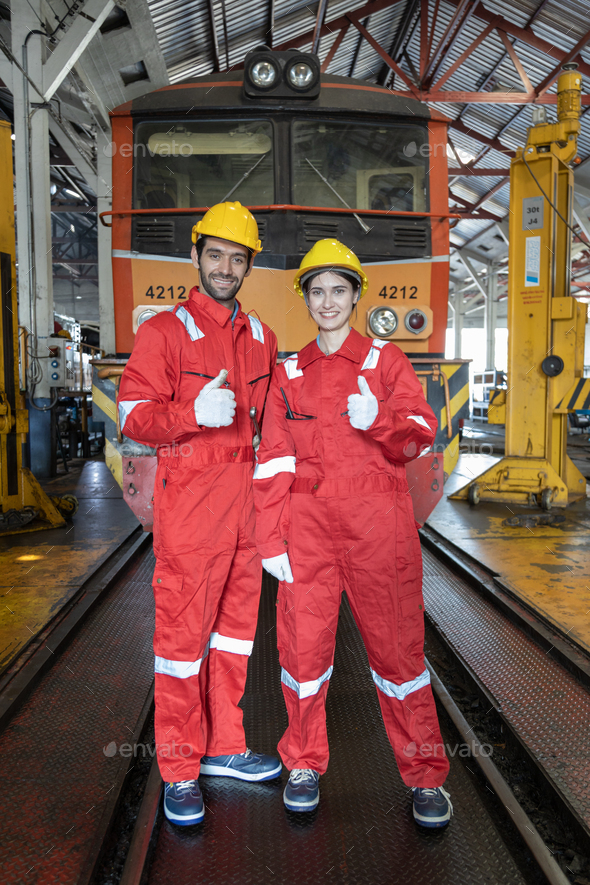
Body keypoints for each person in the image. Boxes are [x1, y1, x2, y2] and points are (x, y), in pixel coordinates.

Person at [252, 239, 452, 828]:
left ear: (356, 296)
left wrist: (381, 420)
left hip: (378, 533)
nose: (328, 301)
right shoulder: (289, 373)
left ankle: (424, 777)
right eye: (318, 291)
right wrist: (271, 540)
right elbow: (273, 460)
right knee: (302, 653)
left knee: (399, 657)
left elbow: (420, 431)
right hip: (309, 532)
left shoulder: (387, 363)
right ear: (307, 300)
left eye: (339, 290)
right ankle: (304, 763)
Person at [118, 202, 281, 827]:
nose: (225, 267)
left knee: (235, 638)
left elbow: (276, 424)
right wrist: (190, 417)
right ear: (195, 257)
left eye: (237, 258)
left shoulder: (261, 335)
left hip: (246, 512)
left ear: (247, 267)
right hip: (191, 513)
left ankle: (225, 747)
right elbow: (134, 416)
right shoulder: (164, 332)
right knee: (182, 646)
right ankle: (181, 767)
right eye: (215, 255)